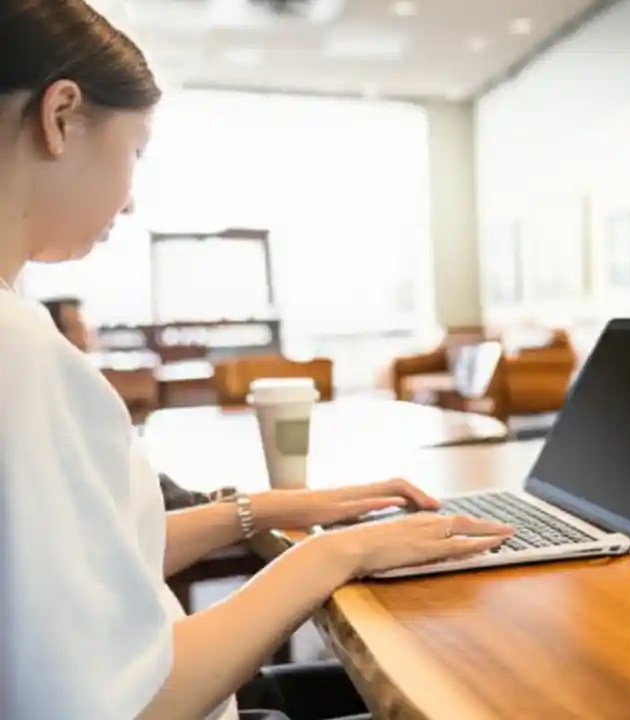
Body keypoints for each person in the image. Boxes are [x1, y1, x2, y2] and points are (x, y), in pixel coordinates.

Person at [0, 3, 514, 720]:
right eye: (135, 152)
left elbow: (89, 559)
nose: (130, 200)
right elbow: (130, 706)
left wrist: (271, 511)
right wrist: (333, 555)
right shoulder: (20, 355)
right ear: (61, 116)